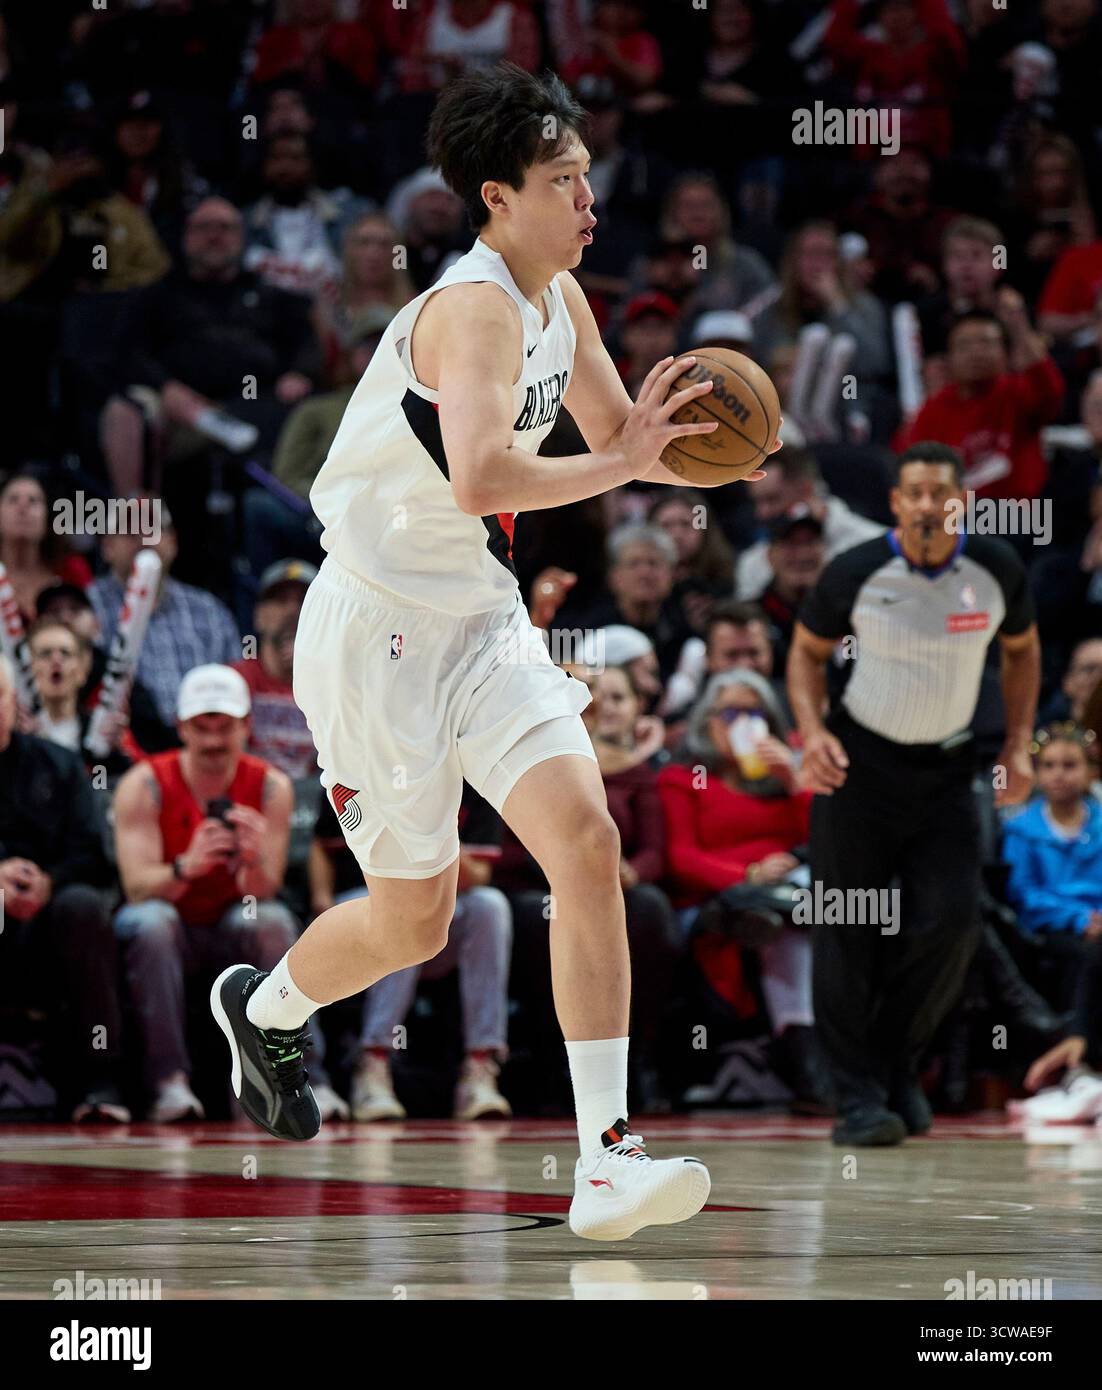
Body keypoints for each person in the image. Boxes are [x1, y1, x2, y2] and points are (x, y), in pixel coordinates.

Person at [210, 63, 777, 1243]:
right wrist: (625, 467)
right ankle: (262, 1005)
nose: (588, 201)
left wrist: (715, 446)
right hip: (374, 635)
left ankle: (605, 1156)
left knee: (587, 839)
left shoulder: (561, 299)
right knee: (415, 920)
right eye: (562, 181)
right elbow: (480, 473)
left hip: (480, 614)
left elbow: (623, 443)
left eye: (586, 177)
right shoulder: (468, 308)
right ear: (493, 196)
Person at [787, 441, 1041, 1146]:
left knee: (952, 921)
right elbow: (807, 654)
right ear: (896, 503)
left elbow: (1022, 651)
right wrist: (811, 734)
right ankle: (857, 1098)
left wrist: (1019, 744)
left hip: (948, 773)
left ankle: (897, 1067)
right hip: (858, 769)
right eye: (915, 493)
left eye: (940, 492)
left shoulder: (995, 570)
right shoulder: (859, 570)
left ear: (961, 501)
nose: (928, 504)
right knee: (847, 931)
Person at [112, 663, 345, 1123]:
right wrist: (187, 866)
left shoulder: (271, 786)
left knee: (270, 918)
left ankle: (304, 1079)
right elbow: (137, 888)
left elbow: (265, 889)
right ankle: (169, 1083)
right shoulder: (144, 784)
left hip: (231, 920)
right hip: (171, 923)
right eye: (203, 727)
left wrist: (253, 860)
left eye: (226, 727)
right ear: (181, 727)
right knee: (151, 922)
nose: (215, 741)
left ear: (246, 726)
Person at [313, 781, 514, 1123]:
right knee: (402, 902)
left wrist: (432, 834)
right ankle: (372, 1065)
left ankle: (480, 1070)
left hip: (439, 908)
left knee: (489, 905)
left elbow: (478, 874)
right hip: (364, 904)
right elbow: (323, 845)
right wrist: (322, 903)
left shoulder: (472, 776)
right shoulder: (361, 759)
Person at [0, 653, 127, 1122]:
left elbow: (93, 854)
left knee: (84, 908)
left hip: (51, 908)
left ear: (14, 703)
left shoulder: (59, 764)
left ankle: (102, 1080)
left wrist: (49, 883)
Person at [896, 297, 1064, 501]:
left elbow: (1051, 391)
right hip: (954, 518)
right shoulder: (935, 408)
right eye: (964, 345)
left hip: (1015, 516)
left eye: (986, 343)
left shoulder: (1018, 392)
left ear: (1005, 353)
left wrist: (1019, 328)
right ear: (949, 358)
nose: (976, 353)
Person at [88, 506, 240, 731]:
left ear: (173, 542)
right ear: (107, 547)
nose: (144, 538)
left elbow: (235, 685)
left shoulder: (209, 611)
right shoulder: (87, 605)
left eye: (154, 528)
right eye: (130, 531)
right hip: (121, 745)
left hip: (201, 741)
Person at [734, 446, 885, 601]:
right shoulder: (753, 564)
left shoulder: (873, 543)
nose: (762, 513)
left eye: (772, 499)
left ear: (806, 490)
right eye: (757, 502)